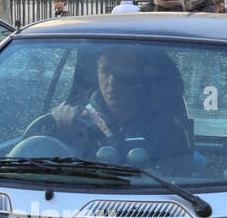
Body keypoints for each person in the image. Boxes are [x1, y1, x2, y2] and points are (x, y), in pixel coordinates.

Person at [42, 46, 191, 165]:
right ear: (97, 73)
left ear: (139, 77)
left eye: (122, 72)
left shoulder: (166, 128)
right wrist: (60, 130)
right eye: (105, 71)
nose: (111, 82)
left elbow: (176, 178)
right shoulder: (77, 119)